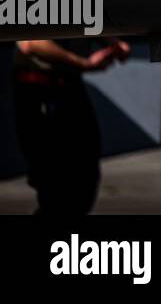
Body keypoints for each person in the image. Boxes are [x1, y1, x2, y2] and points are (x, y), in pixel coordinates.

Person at [11, 37, 131, 216]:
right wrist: (83, 63)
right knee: (54, 181)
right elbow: (31, 43)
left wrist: (113, 42)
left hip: (69, 85)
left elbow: (85, 15)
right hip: (40, 87)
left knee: (84, 175)